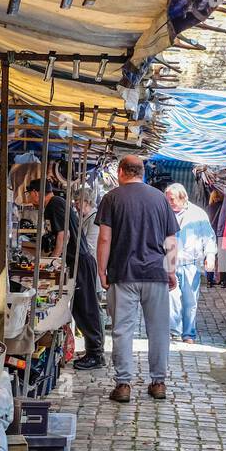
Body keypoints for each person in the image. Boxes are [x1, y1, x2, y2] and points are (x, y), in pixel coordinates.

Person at [96, 156, 179, 403]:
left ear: (121, 171)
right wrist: (171, 270)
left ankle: (123, 385)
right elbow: (171, 240)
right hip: (156, 273)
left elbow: (104, 239)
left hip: (123, 274)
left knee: (123, 330)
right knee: (159, 330)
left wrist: (102, 270)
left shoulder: (112, 198)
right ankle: (158, 382)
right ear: (142, 172)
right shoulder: (160, 199)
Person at [24, 180, 105, 370]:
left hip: (80, 260)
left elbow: (64, 235)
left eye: (30, 194)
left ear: (36, 193)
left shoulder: (55, 204)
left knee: (86, 307)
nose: (31, 198)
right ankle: (93, 350)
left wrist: (53, 260)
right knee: (80, 307)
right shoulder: (56, 204)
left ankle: (96, 353)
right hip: (76, 260)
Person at [164, 184, 217, 344]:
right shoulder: (164, 211)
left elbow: (209, 236)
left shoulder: (197, 214)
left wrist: (210, 255)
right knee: (171, 297)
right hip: (169, 262)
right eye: (167, 199)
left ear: (183, 198)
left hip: (190, 263)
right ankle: (174, 331)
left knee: (190, 300)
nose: (169, 202)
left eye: (171, 199)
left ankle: (188, 334)